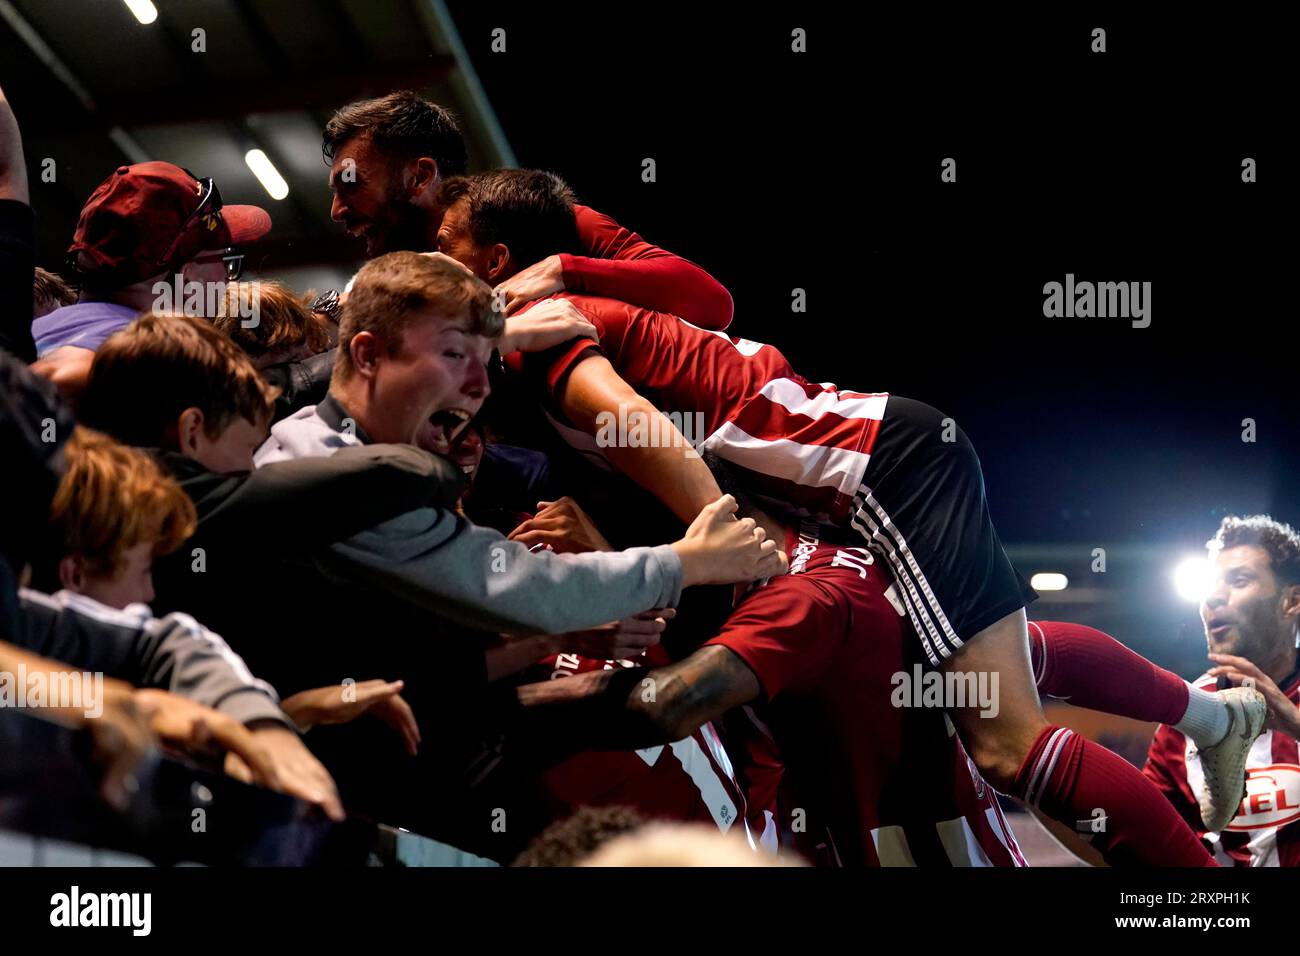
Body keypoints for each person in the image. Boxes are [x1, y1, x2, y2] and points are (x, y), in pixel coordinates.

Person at [434, 167, 1250, 865]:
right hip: (862, 472)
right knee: (972, 656)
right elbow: (708, 299)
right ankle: (1216, 716)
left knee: (1005, 740)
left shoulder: (541, 339)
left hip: (873, 476)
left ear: (498, 256)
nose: (432, 253)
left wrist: (718, 546)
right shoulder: (564, 290)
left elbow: (645, 427)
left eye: (442, 242)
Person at [29, 161, 271, 395]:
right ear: (187, 278)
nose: (228, 281)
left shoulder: (28, 333)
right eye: (224, 262)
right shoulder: (162, 368)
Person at [1144, 515, 1300, 865]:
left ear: (1291, 602)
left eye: (1239, 580)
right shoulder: (1186, 711)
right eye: (1210, 585)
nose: (1213, 596)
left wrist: (1295, 725)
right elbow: (1140, 837)